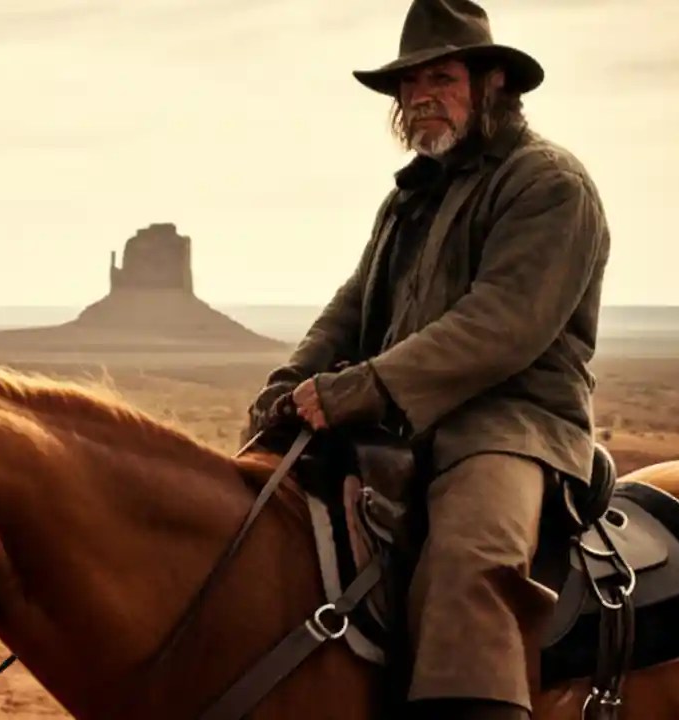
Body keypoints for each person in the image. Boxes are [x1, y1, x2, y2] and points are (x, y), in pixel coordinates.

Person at [239, 1, 611, 718]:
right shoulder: (409, 199)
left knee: (469, 567)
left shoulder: (548, 184)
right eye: (408, 87)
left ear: (493, 82)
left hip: (509, 427)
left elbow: (503, 324)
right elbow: (353, 307)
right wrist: (289, 384)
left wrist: (366, 387)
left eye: (438, 78)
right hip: (399, 424)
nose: (419, 98)